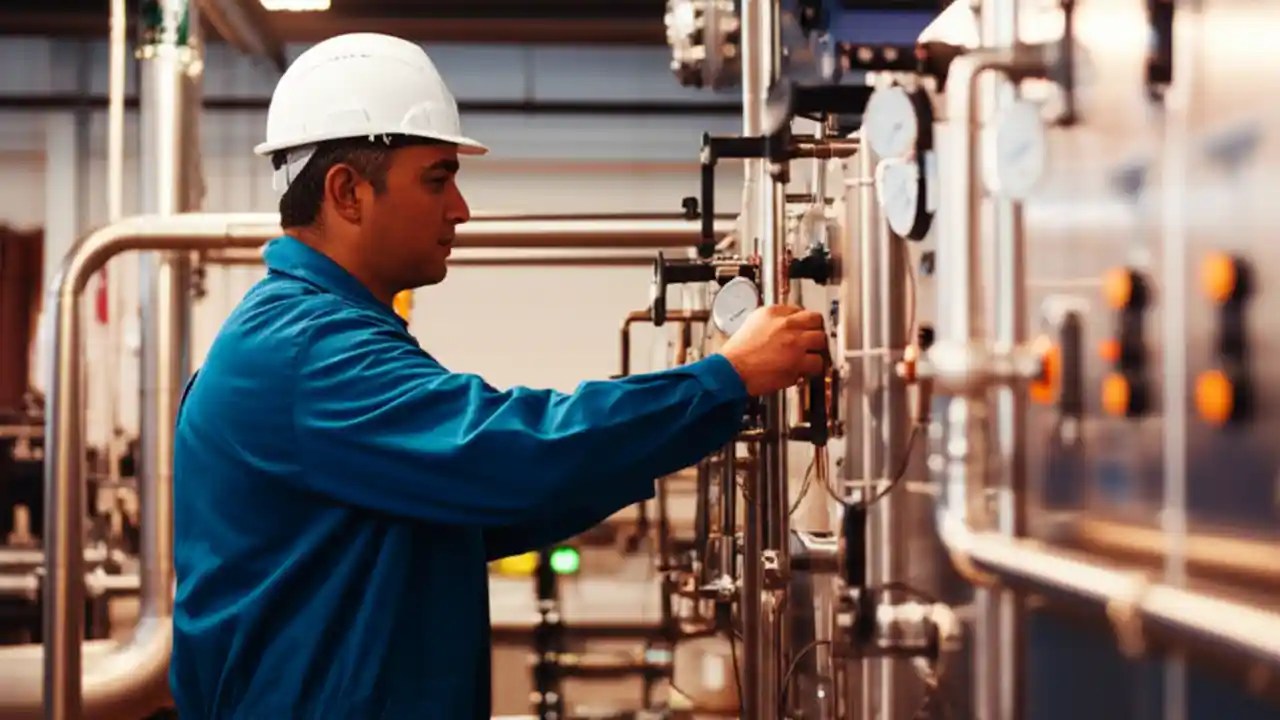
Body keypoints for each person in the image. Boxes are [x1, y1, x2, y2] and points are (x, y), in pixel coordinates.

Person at [170, 32, 828, 719]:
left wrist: (687, 418)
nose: (460, 208)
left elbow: (494, 498)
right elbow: (513, 451)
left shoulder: (318, 335)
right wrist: (723, 379)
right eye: (437, 178)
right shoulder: (305, 351)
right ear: (347, 191)